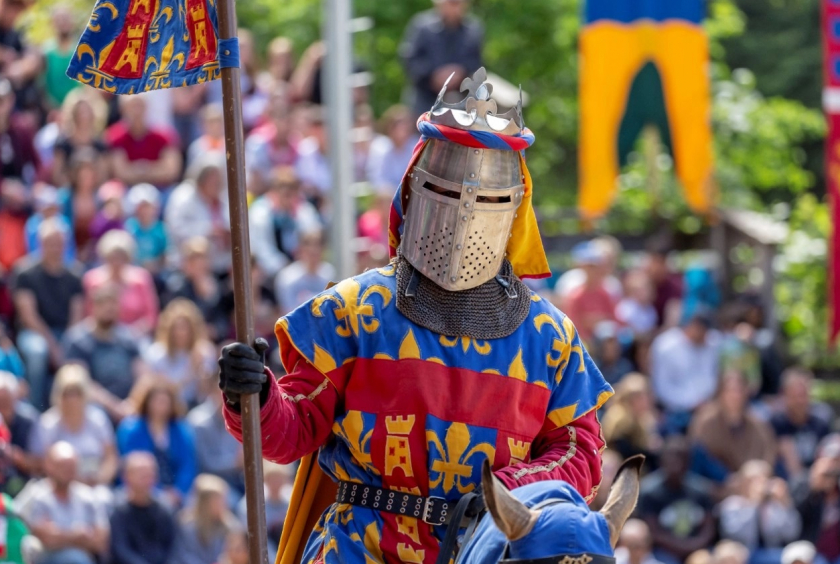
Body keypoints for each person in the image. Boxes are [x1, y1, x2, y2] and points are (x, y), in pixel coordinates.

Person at [218, 69, 613, 563]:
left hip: (485, 548)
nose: (464, 218)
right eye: (447, 194)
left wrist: (506, 491)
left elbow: (581, 453)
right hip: (358, 547)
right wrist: (254, 395)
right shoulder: (353, 311)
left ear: (513, 212)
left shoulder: (549, 337)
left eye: (486, 202)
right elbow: (290, 432)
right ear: (412, 191)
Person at [12, 218, 83, 409]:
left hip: (65, 333)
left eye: (59, 243)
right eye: (50, 243)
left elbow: (76, 315)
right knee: (38, 352)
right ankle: (35, 409)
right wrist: (54, 347)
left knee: (82, 351)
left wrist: (67, 342)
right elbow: (29, 316)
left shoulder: (74, 274)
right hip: (35, 333)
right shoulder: (24, 273)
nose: (55, 248)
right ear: (40, 243)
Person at [28, 365, 118, 490]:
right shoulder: (48, 423)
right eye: (67, 393)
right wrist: (75, 480)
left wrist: (101, 478)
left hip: (97, 486)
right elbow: (43, 463)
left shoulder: (98, 419)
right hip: (61, 488)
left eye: (77, 393)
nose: (72, 399)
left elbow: (111, 458)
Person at [18, 441, 109, 564]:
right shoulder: (35, 494)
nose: (67, 471)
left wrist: (58, 536)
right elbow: (40, 536)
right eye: (62, 466)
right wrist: (76, 536)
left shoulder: (89, 497)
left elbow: (100, 542)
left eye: (71, 466)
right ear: (48, 465)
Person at [62, 284, 142, 420]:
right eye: (104, 304)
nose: (109, 309)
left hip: (130, 405)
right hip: (96, 407)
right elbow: (82, 382)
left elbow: (143, 375)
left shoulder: (128, 338)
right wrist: (115, 407)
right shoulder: (77, 340)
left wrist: (134, 403)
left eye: (113, 304)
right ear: (94, 307)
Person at [117, 377, 197, 509]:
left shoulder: (181, 430)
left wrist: (178, 491)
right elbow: (131, 467)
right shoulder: (131, 430)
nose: (161, 405)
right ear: (147, 401)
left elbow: (187, 465)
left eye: (165, 401)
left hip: (178, 495)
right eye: (157, 401)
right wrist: (158, 494)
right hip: (141, 491)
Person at [636, 436, 717, 564]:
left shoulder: (701, 490)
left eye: (680, 458)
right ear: (662, 460)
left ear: (688, 462)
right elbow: (654, 533)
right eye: (671, 458)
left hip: (696, 549)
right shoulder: (649, 492)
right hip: (663, 552)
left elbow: (708, 529)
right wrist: (684, 547)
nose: (676, 463)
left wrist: (693, 547)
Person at [399, 0, 484, 118]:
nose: (454, 7)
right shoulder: (421, 26)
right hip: (425, 100)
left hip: (463, 101)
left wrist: (460, 73)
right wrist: (433, 76)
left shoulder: (473, 29)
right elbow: (409, 59)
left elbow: (477, 63)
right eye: (451, 2)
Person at [688, 371, 777, 480]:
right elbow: (699, 455)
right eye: (730, 390)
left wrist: (754, 472)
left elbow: (767, 454)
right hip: (714, 486)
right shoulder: (705, 422)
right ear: (721, 393)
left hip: (751, 483)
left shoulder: (758, 425)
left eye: (739, 391)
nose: (735, 396)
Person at [650, 309, 721, 434]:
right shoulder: (666, 346)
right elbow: (662, 387)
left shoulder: (712, 343)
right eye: (703, 331)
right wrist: (691, 403)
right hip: (674, 410)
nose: (706, 336)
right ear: (694, 326)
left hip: (707, 406)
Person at [248, 166, 321, 279]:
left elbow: (313, 237)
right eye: (285, 193)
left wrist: (301, 265)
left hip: (301, 271)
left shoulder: (304, 210)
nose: (289, 198)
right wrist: (284, 268)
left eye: (293, 192)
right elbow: (261, 249)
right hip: (268, 274)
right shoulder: (259, 212)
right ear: (274, 192)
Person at [82, 229, 159, 337]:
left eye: (121, 257)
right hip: (100, 336)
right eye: (113, 257)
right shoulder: (92, 279)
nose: (117, 262)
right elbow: (88, 314)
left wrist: (130, 335)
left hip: (136, 337)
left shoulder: (141, 278)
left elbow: (151, 316)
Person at [718, 459, 801, 556]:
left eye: (764, 479)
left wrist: (785, 502)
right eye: (753, 480)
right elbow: (738, 535)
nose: (759, 484)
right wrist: (754, 503)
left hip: (772, 555)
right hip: (742, 556)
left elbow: (792, 533)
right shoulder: (732, 504)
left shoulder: (772, 506)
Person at [164, 155, 231, 274]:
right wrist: (208, 230)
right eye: (211, 177)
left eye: (218, 178)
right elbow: (175, 228)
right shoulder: (183, 197)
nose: (216, 182)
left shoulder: (225, 197)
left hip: (222, 265)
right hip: (185, 266)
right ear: (201, 178)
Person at [143, 299, 216, 407]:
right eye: (177, 328)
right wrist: (191, 371)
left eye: (186, 328)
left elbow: (207, 394)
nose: (181, 333)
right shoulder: (156, 354)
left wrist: (202, 371)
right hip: (167, 410)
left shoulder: (205, 351)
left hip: (197, 408)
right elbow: (159, 392)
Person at [109, 452, 177, 564]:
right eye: (141, 474)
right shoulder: (117, 511)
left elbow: (171, 548)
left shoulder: (165, 510)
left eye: (150, 473)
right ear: (126, 477)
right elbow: (120, 550)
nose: (147, 478)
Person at [106, 95, 182, 190]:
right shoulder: (115, 136)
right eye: (133, 106)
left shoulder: (164, 136)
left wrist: (140, 170)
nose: (137, 111)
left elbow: (171, 171)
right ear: (122, 109)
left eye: (140, 106)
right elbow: (120, 173)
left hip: (161, 189)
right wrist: (154, 169)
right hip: (126, 189)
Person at [772, 367, 831, 479]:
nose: (800, 401)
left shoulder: (821, 422)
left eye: (803, 395)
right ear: (785, 396)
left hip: (821, 479)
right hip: (788, 483)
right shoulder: (777, 423)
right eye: (795, 396)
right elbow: (790, 463)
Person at [791, 434, 840, 564]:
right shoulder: (802, 481)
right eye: (831, 459)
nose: (833, 467)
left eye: (837, 461)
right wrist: (813, 489)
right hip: (809, 548)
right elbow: (794, 518)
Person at [170, 474, 240, 564]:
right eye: (217, 500)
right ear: (204, 503)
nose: (223, 504)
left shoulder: (230, 526)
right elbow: (182, 555)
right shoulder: (185, 525)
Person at [601, 373, 662, 467]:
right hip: (614, 467)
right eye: (643, 397)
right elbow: (621, 449)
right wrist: (647, 450)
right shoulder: (618, 416)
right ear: (633, 399)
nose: (647, 400)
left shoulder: (643, 418)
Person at [274, 230, 335, 315]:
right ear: (300, 248)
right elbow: (286, 312)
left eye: (318, 244)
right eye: (308, 244)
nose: (313, 249)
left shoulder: (329, 273)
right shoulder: (287, 278)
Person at [236, 460, 291, 548]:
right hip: (264, 544)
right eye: (272, 478)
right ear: (265, 479)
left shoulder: (290, 498)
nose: (276, 483)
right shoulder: (255, 501)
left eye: (279, 478)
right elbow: (250, 531)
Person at [365, 104, 420, 193]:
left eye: (406, 125)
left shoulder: (416, 146)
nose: (402, 129)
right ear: (389, 127)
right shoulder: (379, 148)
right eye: (398, 125)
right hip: (386, 199)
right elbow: (376, 180)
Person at [0, 371, 38, 493]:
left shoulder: (29, 421)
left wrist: (16, 457)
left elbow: (40, 464)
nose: (3, 406)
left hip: (25, 486)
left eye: (7, 400)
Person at [124, 183, 167, 275]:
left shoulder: (162, 229)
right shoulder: (128, 228)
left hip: (157, 273)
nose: (144, 211)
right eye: (141, 207)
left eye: (147, 206)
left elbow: (166, 256)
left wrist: (155, 265)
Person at [40, 7, 77, 109]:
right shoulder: (45, 52)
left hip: (77, 112)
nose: (62, 23)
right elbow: (42, 89)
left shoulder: (81, 52)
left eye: (65, 19)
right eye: (59, 19)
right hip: (53, 113)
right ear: (52, 23)